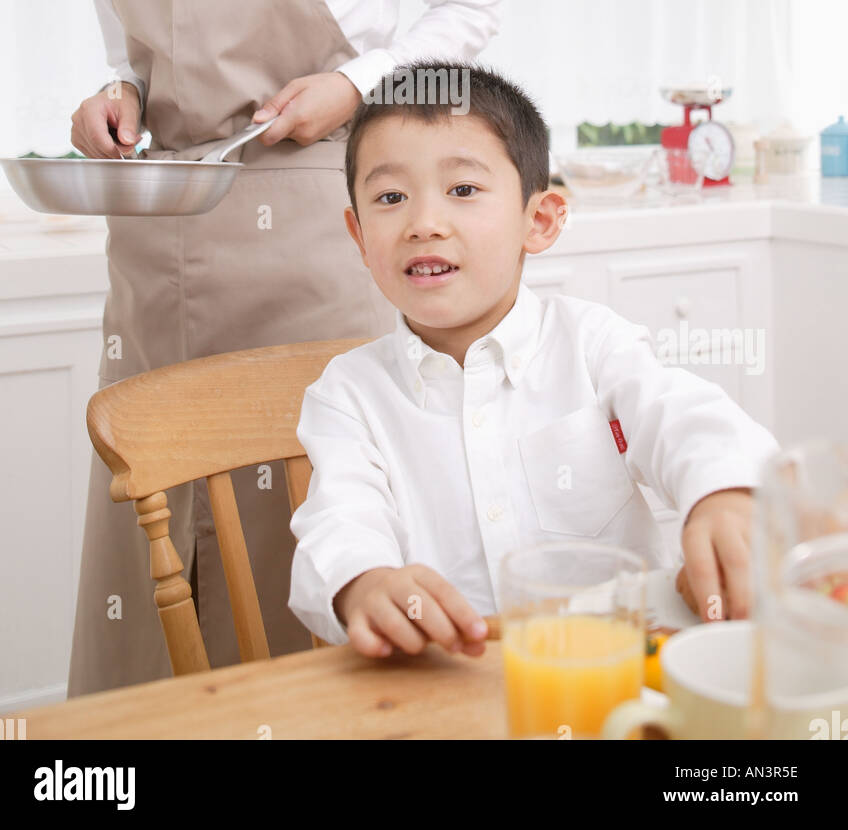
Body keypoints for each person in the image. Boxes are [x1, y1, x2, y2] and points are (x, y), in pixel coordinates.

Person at [65, 0, 501, 696]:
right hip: (155, 290)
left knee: (319, 555)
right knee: (158, 576)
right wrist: (110, 100)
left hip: (310, 279)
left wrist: (357, 84)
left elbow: (471, 6)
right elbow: (134, 65)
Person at [287, 60, 782, 655]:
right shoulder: (347, 395)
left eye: (463, 190)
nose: (423, 223)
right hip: (448, 689)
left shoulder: (594, 345)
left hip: (617, 673)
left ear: (539, 220)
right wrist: (362, 583)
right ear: (360, 235)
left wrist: (725, 492)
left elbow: (685, 419)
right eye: (391, 197)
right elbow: (340, 520)